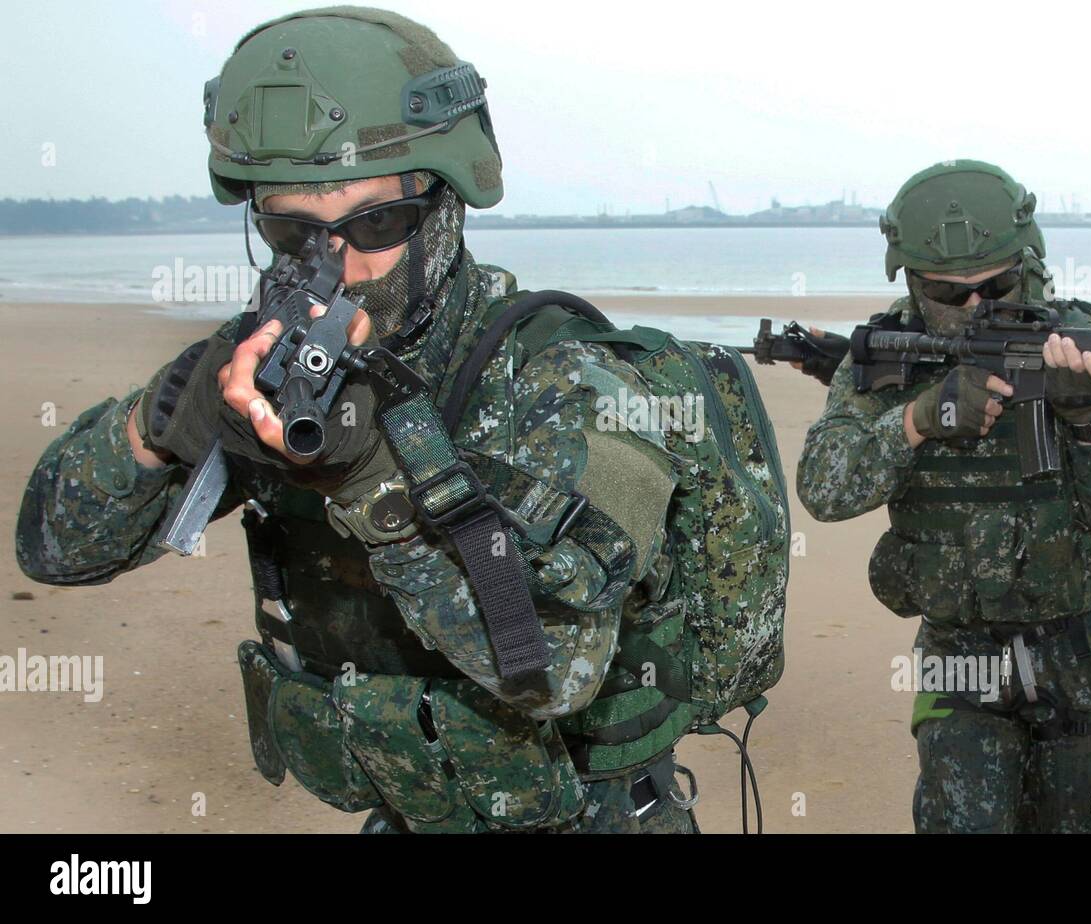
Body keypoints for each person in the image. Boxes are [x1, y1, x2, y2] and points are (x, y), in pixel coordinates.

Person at [16, 7, 701, 834]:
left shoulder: (566, 375)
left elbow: (553, 670)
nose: (338, 265)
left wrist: (373, 480)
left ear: (445, 204)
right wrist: (157, 426)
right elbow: (54, 550)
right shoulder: (271, 363)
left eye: (375, 222)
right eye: (292, 231)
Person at [797, 159, 1091, 833]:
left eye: (996, 285)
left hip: (1090, 646)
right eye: (948, 293)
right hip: (960, 650)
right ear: (911, 283)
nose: (977, 305)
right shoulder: (889, 351)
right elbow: (823, 490)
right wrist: (916, 420)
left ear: (1029, 265)